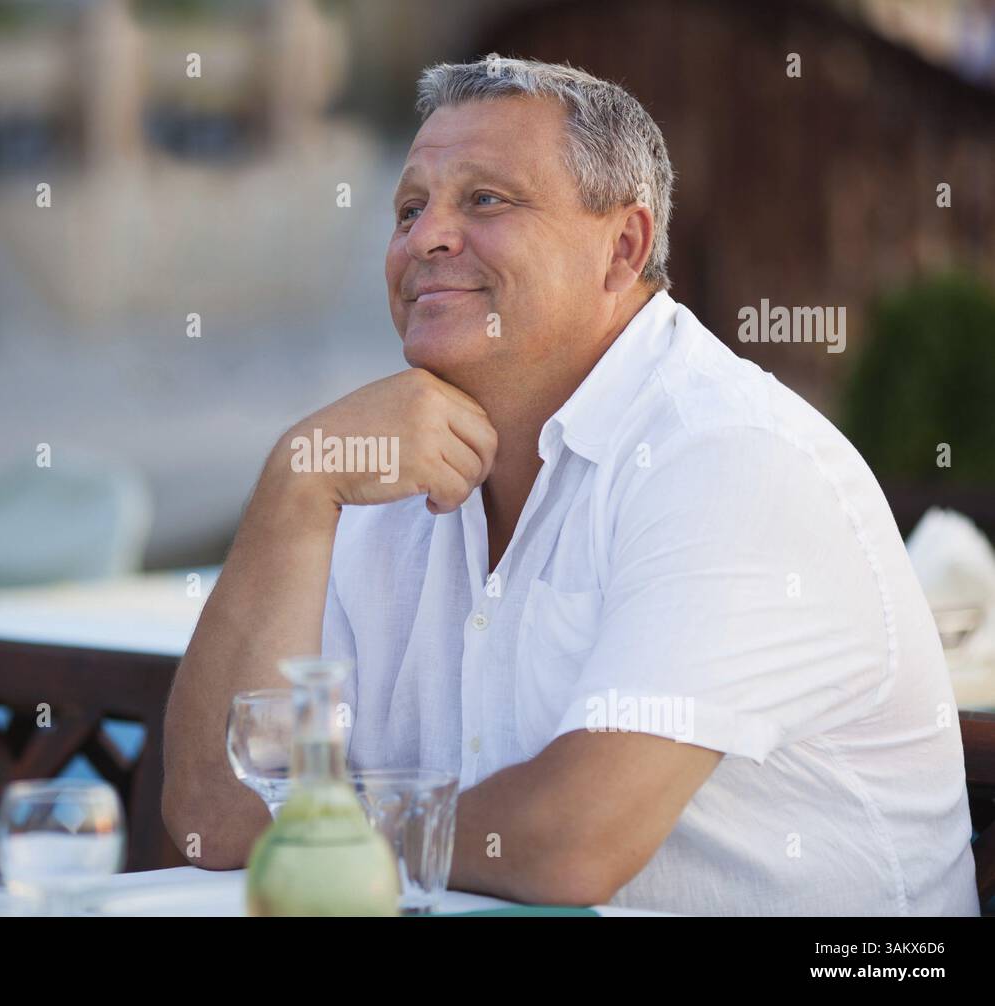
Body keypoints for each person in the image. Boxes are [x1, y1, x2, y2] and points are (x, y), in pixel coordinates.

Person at [161, 56, 979, 915]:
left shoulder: (731, 456)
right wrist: (297, 482)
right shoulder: (375, 464)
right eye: (410, 208)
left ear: (622, 247)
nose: (426, 237)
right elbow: (214, 820)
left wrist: (322, 838)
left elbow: (568, 841)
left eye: (485, 199)